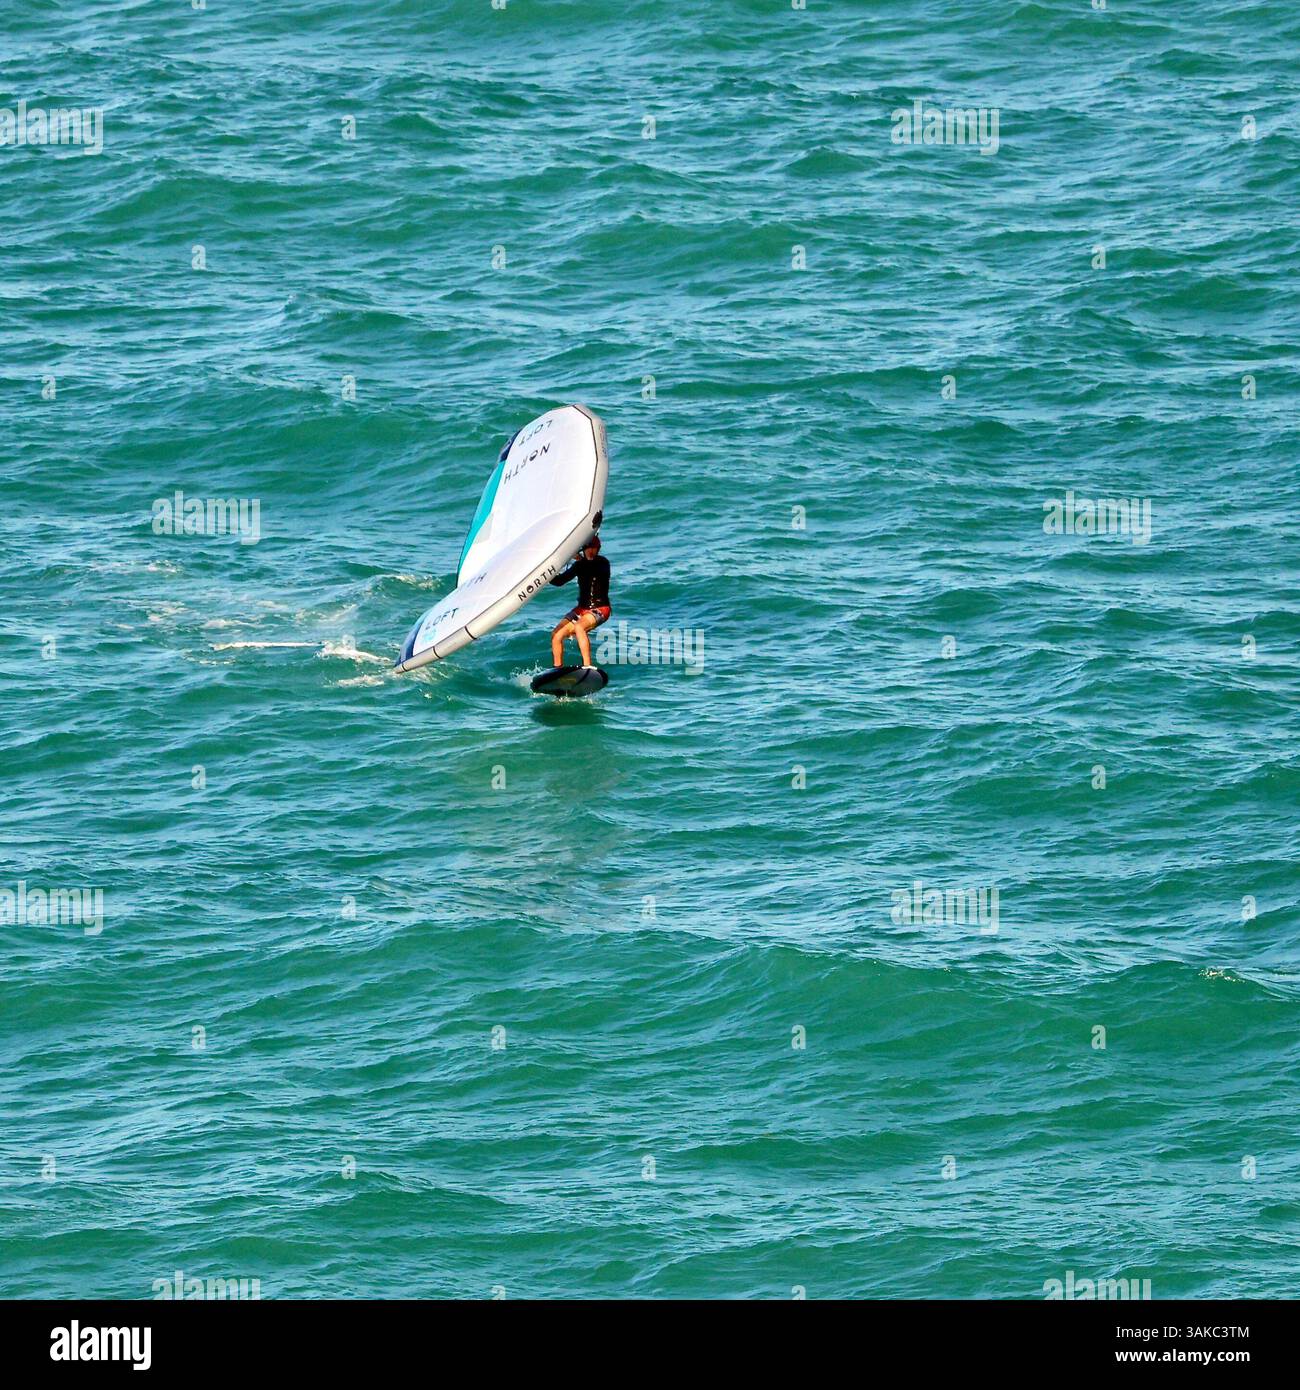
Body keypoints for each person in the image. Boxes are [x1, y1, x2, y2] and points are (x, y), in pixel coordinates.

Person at [549, 534, 611, 668]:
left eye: (594, 548)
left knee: (579, 627)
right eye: (588, 548)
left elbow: (593, 568)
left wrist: (580, 558)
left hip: (600, 609)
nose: (591, 550)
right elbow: (559, 581)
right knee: (556, 635)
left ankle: (588, 667)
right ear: (583, 549)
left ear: (598, 549)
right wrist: (545, 574)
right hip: (582, 609)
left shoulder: (603, 563)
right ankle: (557, 670)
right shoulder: (579, 565)